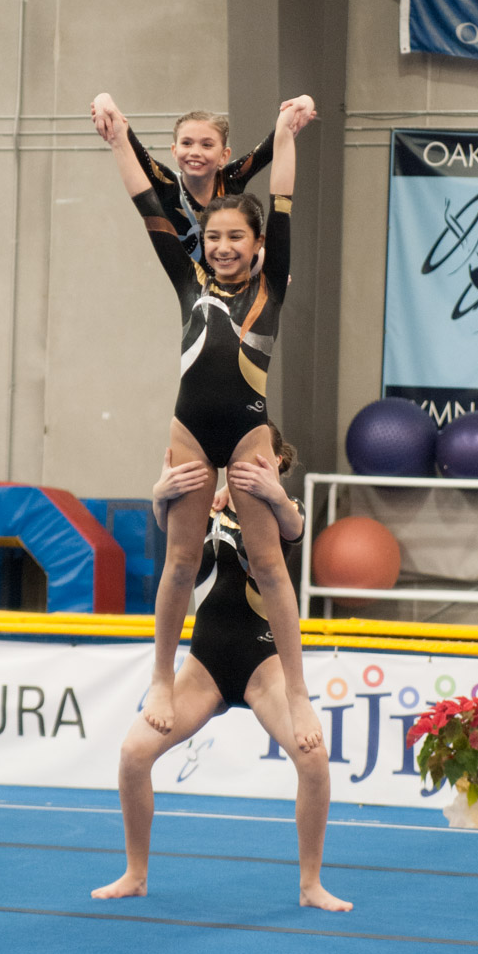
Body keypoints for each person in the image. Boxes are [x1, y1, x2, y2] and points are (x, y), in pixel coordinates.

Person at [99, 99, 319, 752]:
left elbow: (281, 196)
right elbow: (148, 206)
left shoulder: (272, 288)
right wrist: (117, 140)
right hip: (190, 429)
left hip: (250, 432)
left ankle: (298, 689)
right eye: (214, 238)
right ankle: (162, 677)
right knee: (180, 561)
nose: (222, 248)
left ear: (256, 248)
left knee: (271, 567)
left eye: (235, 240)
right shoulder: (187, 280)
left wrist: (283, 132)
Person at [91, 425, 353, 912]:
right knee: (132, 754)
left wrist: (273, 491)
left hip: (263, 665)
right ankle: (135, 873)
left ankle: (311, 883)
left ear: (275, 462)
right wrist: (159, 495)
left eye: (259, 459)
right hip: (205, 665)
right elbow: (174, 548)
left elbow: (293, 527)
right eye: (240, 460)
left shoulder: (280, 511)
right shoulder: (205, 509)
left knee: (313, 761)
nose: (245, 466)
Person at [91, 91, 316, 265]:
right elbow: (126, 140)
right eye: (186, 143)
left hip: (244, 268)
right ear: (174, 150)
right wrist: (103, 100)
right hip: (194, 278)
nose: (195, 152)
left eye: (207, 145)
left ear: (223, 155)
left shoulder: (231, 177)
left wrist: (305, 102)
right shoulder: (166, 183)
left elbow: (274, 142)